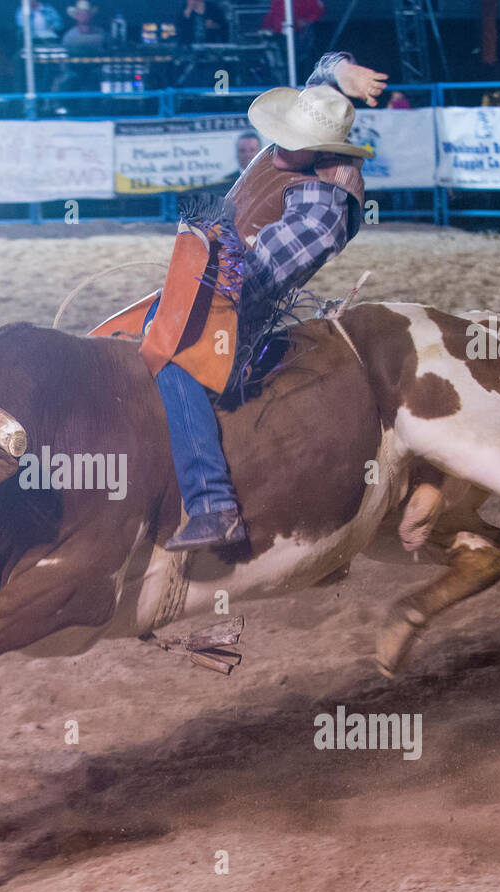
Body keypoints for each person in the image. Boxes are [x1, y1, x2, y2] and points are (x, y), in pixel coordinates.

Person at [138, 52, 388, 550]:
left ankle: (212, 502)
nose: (277, 143)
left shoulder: (324, 209)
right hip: (206, 287)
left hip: (233, 318)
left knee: (174, 361)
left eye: (291, 140)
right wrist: (344, 72)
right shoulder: (312, 132)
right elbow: (321, 75)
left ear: (319, 151)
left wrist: (205, 262)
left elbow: (253, 281)